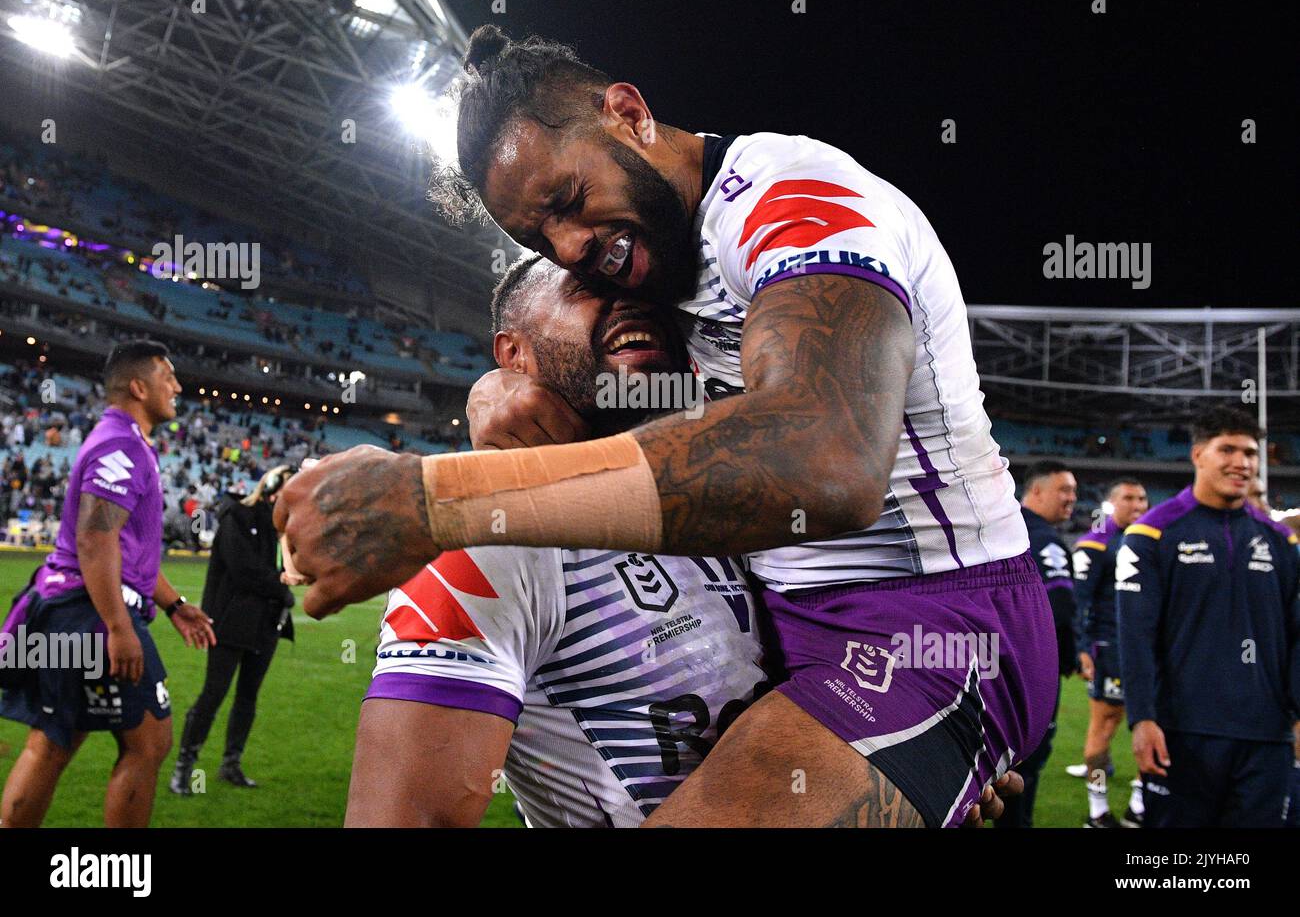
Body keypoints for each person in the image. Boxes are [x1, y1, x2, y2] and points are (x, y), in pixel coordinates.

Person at [275, 26, 1056, 827]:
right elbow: (646, 404)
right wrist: (500, 388)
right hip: (785, 632)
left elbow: (825, 457)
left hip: (928, 626)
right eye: (539, 242)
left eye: (568, 202)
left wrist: (430, 496)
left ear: (628, 113)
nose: (572, 247)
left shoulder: (795, 203)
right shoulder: (664, 260)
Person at [348, 254, 1020, 827]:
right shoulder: (485, 539)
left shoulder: (745, 498)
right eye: (588, 288)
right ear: (513, 353)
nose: (631, 302)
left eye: (643, 294)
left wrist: (909, 775)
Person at [0, 340, 215, 827]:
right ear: (139, 387)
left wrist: (175, 603)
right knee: (150, 742)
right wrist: (118, 627)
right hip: (88, 612)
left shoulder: (121, 440)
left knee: (55, 737)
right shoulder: (122, 444)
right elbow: (96, 540)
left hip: (62, 607)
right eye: (168, 377)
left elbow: (125, 552)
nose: (177, 387)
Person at [1119, 407, 1299, 827]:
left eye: (1251, 452)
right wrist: (1142, 718)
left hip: (1267, 736)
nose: (1243, 463)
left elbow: (1296, 635)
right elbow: (1136, 635)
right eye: (1228, 450)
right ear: (1199, 454)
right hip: (1182, 732)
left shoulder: (1279, 539)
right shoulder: (1150, 534)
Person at [170, 465, 296, 796]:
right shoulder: (238, 515)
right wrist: (282, 587)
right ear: (271, 488)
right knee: (214, 692)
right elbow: (243, 570)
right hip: (230, 620)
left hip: (266, 621)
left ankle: (231, 763)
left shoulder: (282, 524)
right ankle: (184, 766)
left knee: (248, 696)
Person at [996, 460, 1076, 828]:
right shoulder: (1045, 540)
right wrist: (1070, 653)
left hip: (989, 666)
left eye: (1074, 492)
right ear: (1036, 491)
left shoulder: (999, 528)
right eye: (1064, 490)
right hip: (1032, 676)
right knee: (1026, 766)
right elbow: (1060, 609)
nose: (1071, 499)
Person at [1072, 477, 1148, 828]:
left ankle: (1139, 804)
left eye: (1143, 499)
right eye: (1129, 498)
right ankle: (1097, 811)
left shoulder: (1147, 540)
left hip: (1148, 650)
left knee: (1153, 724)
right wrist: (1082, 647)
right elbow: (1078, 601)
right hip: (1110, 650)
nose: (1138, 505)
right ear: (1111, 504)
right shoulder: (1095, 544)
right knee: (1104, 728)